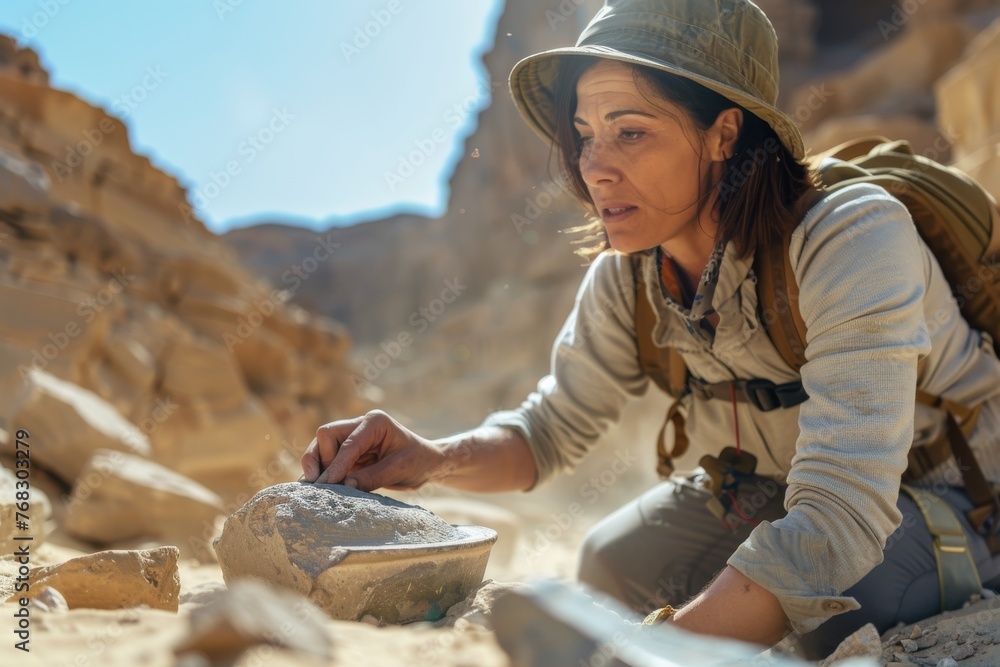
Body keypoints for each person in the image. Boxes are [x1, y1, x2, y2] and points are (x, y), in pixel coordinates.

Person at [301, 0, 1000, 657]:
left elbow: (842, 508)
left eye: (630, 132)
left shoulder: (852, 235)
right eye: (584, 135)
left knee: (837, 597)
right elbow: (546, 431)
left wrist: (649, 655)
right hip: (778, 483)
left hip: (949, 491)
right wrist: (428, 456)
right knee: (610, 563)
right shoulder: (626, 277)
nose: (593, 168)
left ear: (724, 133)